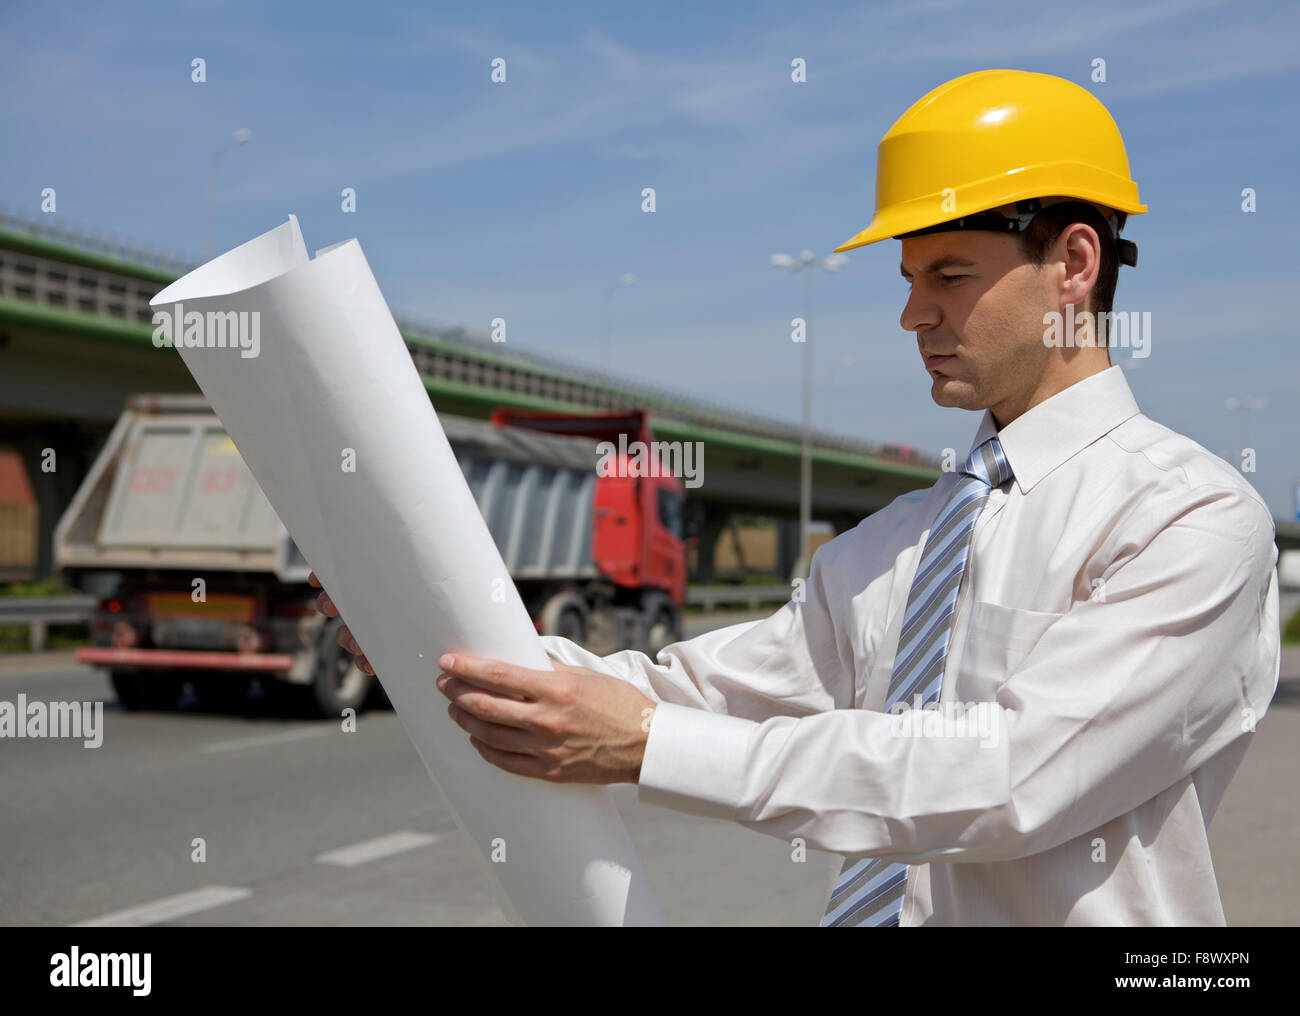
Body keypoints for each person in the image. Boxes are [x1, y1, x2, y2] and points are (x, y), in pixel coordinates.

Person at [311, 69, 1280, 926]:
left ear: (1073, 263)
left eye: (948, 274)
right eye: (907, 278)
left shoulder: (1188, 518)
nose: (912, 314)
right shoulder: (896, 542)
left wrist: (645, 745)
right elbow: (682, 691)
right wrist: (430, 634)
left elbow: (1004, 776)